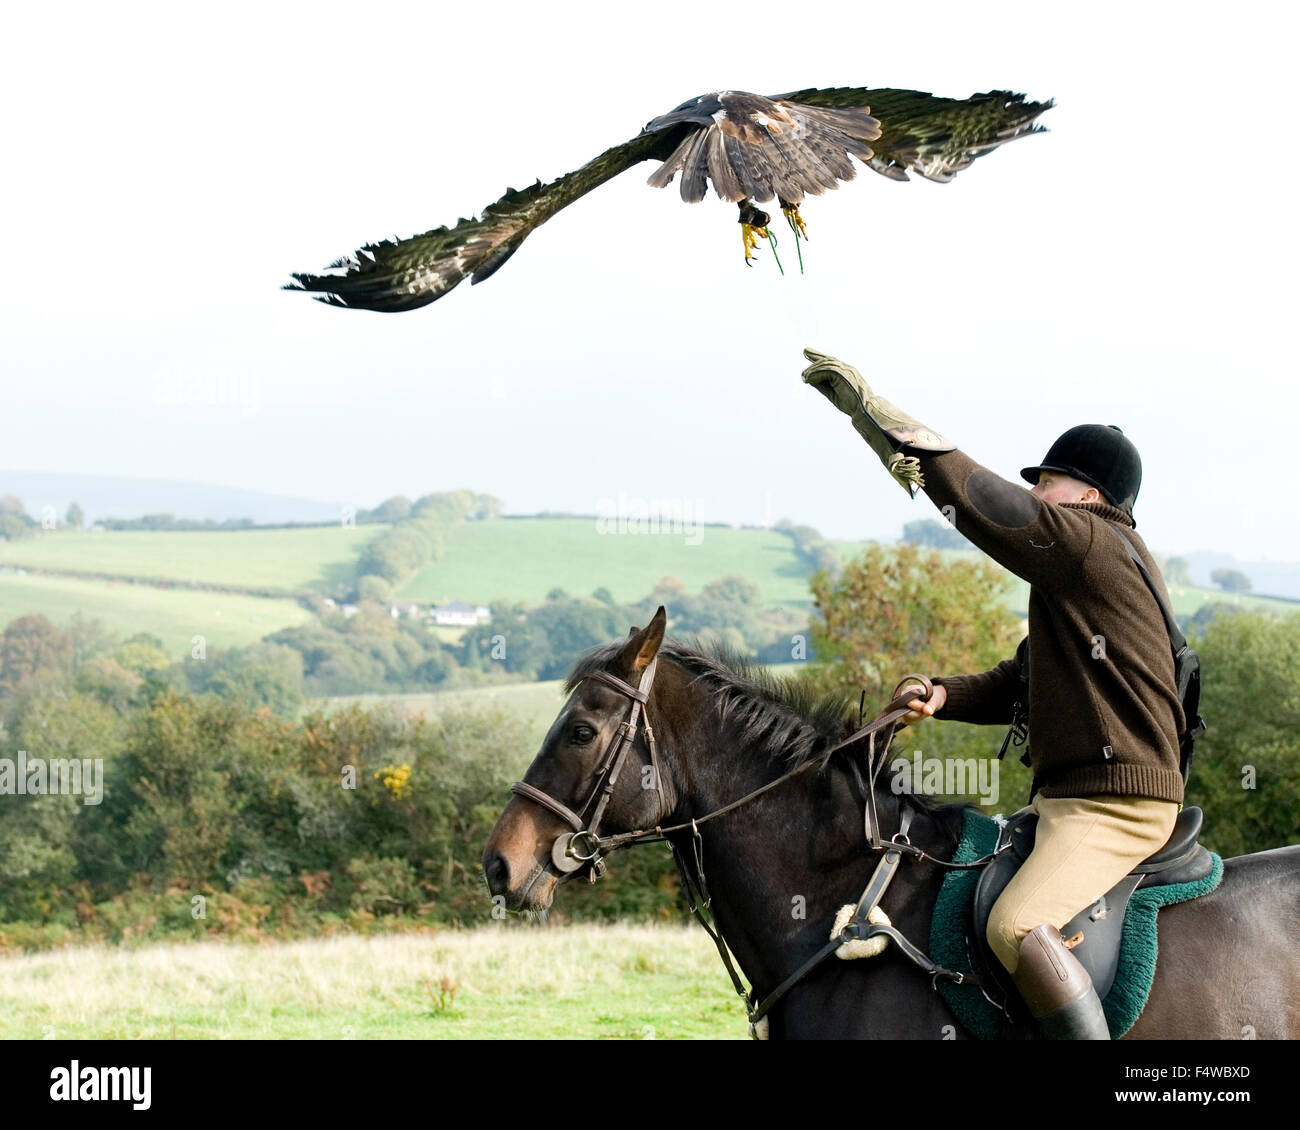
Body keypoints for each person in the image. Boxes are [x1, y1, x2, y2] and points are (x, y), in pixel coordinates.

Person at [801, 348, 1184, 1040]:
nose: (1037, 493)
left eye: (1051, 482)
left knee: (1016, 925)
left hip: (1117, 807)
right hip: (1069, 801)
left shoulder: (1092, 545)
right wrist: (942, 694)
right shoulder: (1084, 582)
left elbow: (989, 505)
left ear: (1090, 497)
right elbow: (1021, 681)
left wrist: (891, 426)